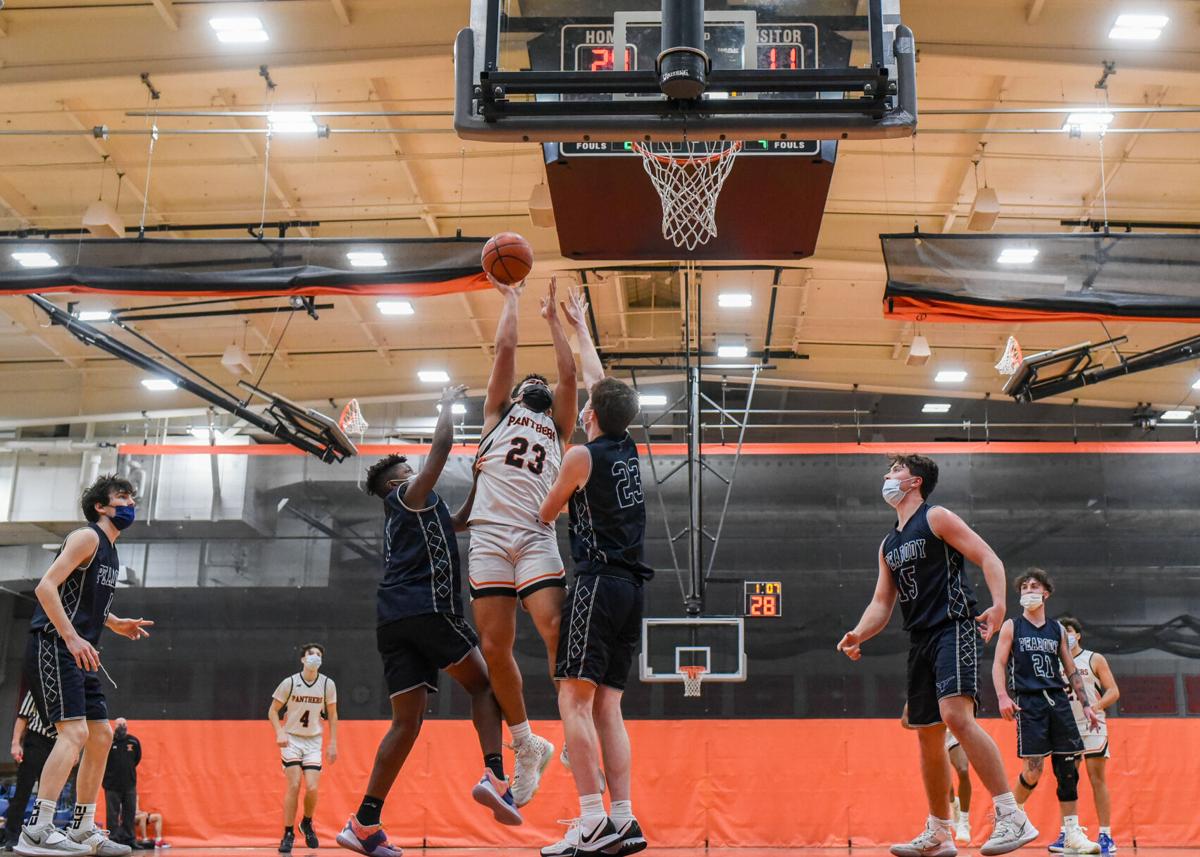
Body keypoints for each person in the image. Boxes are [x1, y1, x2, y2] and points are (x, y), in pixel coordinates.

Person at [336, 386, 522, 857]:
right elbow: (439, 450)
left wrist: (484, 478)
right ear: (396, 481)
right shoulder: (406, 497)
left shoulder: (420, 509)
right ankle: (496, 775)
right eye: (406, 469)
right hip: (426, 609)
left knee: (407, 723)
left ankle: (364, 823)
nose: (414, 471)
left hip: (393, 622)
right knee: (485, 687)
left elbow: (460, 519)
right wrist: (446, 406)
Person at [837, 454, 1038, 857]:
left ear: (914, 482)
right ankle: (940, 831)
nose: (887, 476)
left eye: (895, 470)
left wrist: (998, 605)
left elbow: (990, 558)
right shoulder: (888, 543)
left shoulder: (936, 518)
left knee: (954, 716)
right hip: (921, 639)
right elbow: (882, 602)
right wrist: (858, 633)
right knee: (926, 734)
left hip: (954, 626)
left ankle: (1012, 815)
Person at [534, 288, 649, 857]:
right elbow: (603, 388)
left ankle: (589, 819)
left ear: (594, 416)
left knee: (573, 702)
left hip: (598, 583)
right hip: (632, 590)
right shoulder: (625, 448)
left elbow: (546, 512)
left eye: (586, 409)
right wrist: (578, 328)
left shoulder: (582, 457)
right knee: (609, 705)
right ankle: (624, 817)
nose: (581, 411)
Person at [467, 275, 579, 806]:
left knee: (556, 629)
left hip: (536, 534)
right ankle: (525, 742)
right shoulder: (496, 415)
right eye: (524, 384)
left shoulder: (559, 427)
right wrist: (510, 301)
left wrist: (555, 322)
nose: (533, 385)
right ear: (513, 396)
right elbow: (507, 350)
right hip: (489, 537)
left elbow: (569, 374)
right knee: (495, 648)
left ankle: (575, 728)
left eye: (541, 385)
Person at [17, 474, 154, 857]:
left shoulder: (110, 549)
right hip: (55, 644)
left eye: (131, 497)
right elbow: (46, 587)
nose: (129, 503)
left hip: (81, 651)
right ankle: (38, 829)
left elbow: (87, 601)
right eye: (121, 497)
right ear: (100, 506)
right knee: (74, 734)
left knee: (102, 736)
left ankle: (82, 827)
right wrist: (72, 636)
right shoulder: (88, 537)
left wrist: (114, 622)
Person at [992, 570, 1102, 856]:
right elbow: (998, 664)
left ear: (1046, 593)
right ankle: (1010, 821)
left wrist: (1087, 704)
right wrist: (1003, 695)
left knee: (1067, 769)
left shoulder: (1056, 630)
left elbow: (1071, 668)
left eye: (1034, 586)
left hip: (1057, 700)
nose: (1029, 590)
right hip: (1029, 702)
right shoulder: (1012, 626)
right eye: (1024, 587)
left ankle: (1072, 832)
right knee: (1034, 769)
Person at [1055, 616, 1120, 855]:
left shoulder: (1094, 658)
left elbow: (1113, 690)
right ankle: (1069, 832)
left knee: (1096, 779)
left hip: (1092, 726)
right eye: (1062, 632)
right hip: (1065, 727)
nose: (1066, 635)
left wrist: (1096, 707)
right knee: (1067, 780)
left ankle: (1105, 834)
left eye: (1069, 631)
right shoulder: (1054, 661)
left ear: (1078, 635)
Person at [268, 644, 338, 853]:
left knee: (313, 787)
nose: (315, 657)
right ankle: (288, 833)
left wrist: (333, 743)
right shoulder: (290, 683)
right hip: (292, 738)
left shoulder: (327, 684)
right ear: (302, 659)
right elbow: (273, 711)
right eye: (311, 654)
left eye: (319, 655)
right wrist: (279, 731)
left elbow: (333, 715)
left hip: (314, 740)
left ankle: (306, 822)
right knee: (294, 784)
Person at [900, 704, 973, 845]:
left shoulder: (949, 686)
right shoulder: (920, 692)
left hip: (954, 734)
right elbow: (904, 721)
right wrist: (926, 725)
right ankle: (953, 804)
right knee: (946, 782)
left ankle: (964, 821)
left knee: (963, 770)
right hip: (936, 737)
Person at [6, 689, 58, 852]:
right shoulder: (39, 687)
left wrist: (75, 750)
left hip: (59, 744)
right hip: (36, 740)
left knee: (50, 795)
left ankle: (44, 836)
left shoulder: (73, 690)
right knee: (23, 791)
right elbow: (23, 717)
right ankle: (12, 836)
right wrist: (15, 743)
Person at [102, 719, 140, 847]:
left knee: (129, 813)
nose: (122, 726)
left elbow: (137, 759)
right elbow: (102, 761)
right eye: (119, 724)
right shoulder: (109, 741)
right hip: (111, 785)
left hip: (129, 785)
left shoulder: (133, 741)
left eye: (124, 724)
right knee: (112, 814)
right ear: (114, 726)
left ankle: (130, 840)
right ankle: (113, 839)